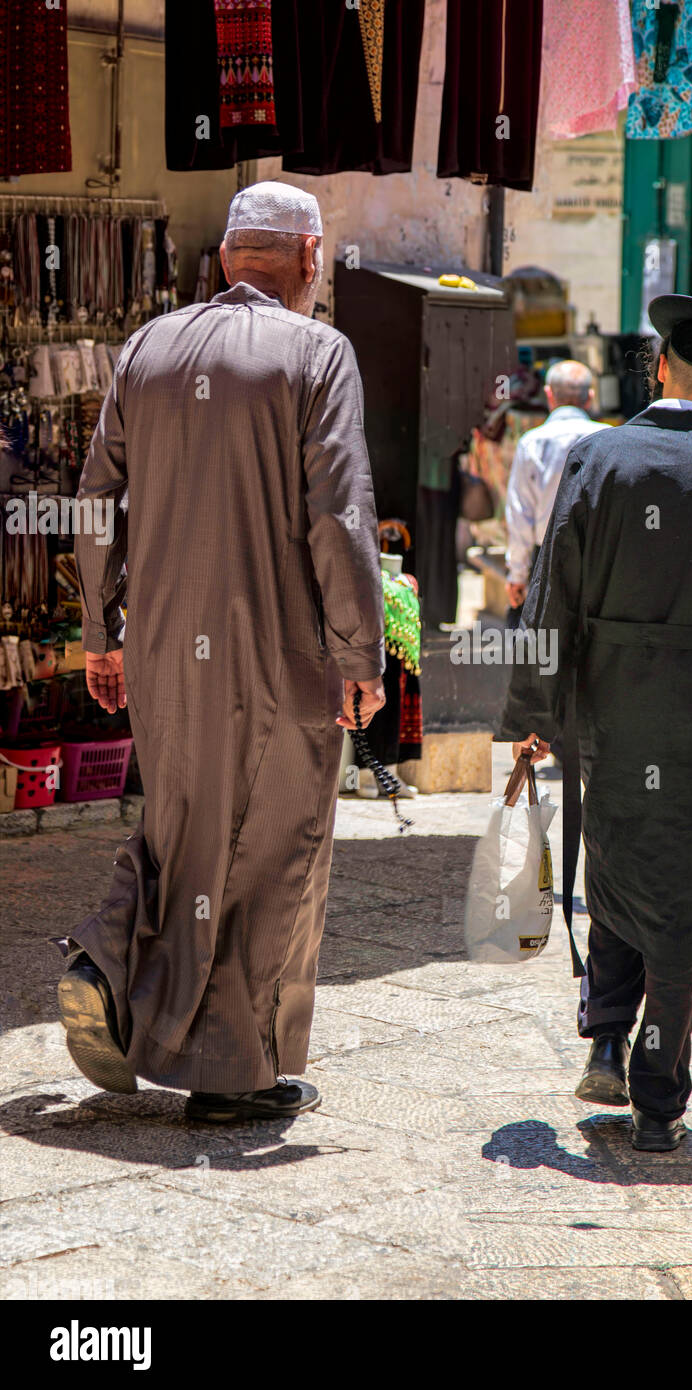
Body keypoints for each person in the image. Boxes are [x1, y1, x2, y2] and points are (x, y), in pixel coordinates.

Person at [57, 181, 386, 1123]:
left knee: (186, 824)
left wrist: (99, 632)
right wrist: (360, 653)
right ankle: (233, 1074)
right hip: (274, 651)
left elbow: (92, 504)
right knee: (275, 840)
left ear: (230, 255)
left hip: (162, 649)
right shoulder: (318, 352)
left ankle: (106, 963)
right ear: (310, 259)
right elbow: (340, 516)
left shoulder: (148, 348)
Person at [498, 278, 692, 1152]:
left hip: (605, 717)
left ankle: (604, 1028)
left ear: (662, 364)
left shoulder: (596, 459)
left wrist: (529, 711)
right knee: (680, 898)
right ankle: (656, 1096)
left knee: (618, 863)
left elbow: (550, 598)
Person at [504, 360, 609, 628]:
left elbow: (520, 513)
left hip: (547, 559)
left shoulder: (532, 442)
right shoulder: (611, 439)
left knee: (546, 647)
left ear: (549, 394)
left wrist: (517, 573)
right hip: (599, 561)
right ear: (591, 397)